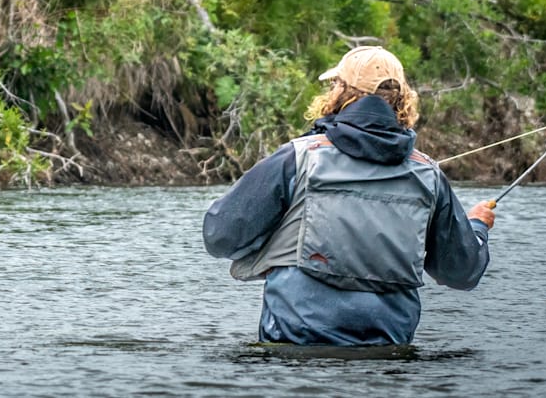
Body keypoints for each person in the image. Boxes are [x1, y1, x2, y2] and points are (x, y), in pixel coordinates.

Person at [202, 45, 495, 346]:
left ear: (342, 92)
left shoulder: (298, 157)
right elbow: (462, 272)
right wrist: (476, 227)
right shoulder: (430, 175)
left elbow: (219, 235)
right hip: (389, 354)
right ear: (401, 99)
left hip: (295, 350)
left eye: (334, 84)